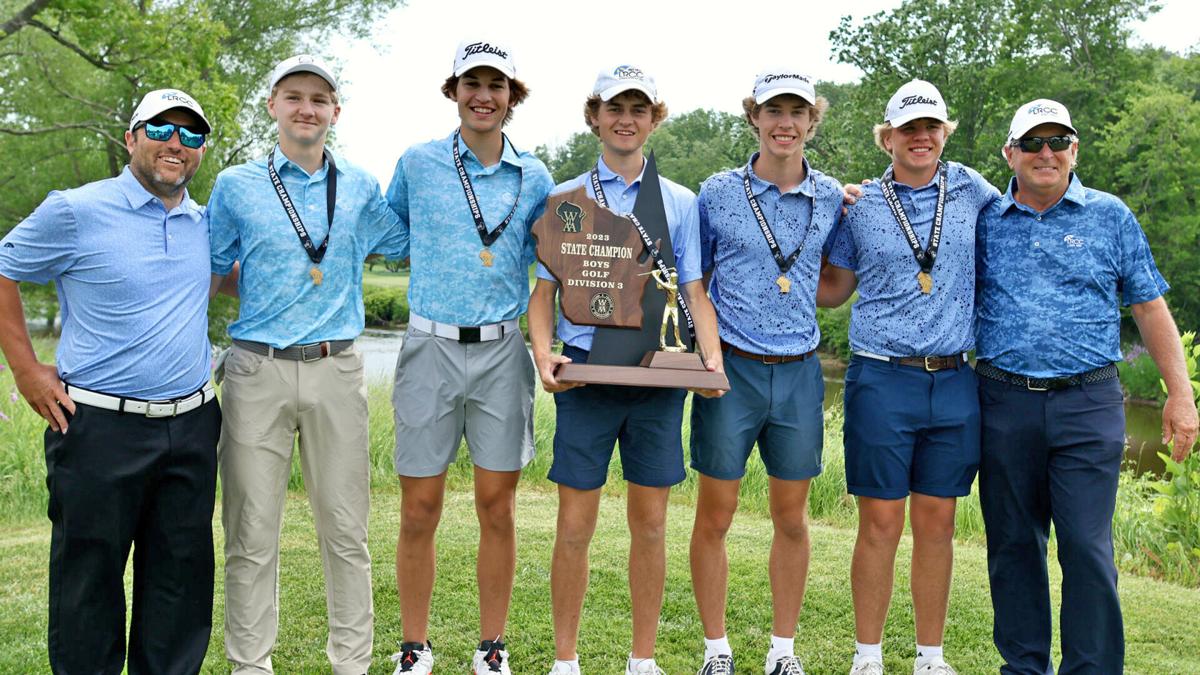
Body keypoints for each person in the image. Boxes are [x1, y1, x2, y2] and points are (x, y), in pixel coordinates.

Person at [0, 89, 220, 674]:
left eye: (191, 135)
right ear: (131, 138)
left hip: (192, 425)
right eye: (161, 129)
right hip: (97, 427)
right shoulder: (75, 210)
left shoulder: (206, 223)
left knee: (179, 586)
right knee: (88, 585)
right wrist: (26, 370)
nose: (176, 144)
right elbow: (3, 269)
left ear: (200, 150)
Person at [975, 98, 1198, 674]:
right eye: (1032, 143)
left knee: (1087, 548)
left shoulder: (1110, 215)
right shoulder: (983, 219)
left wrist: (1180, 394)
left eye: (1057, 142)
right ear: (1010, 153)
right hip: (1002, 400)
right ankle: (1023, 668)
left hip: (1088, 401)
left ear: (1074, 150)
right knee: (1013, 546)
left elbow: (1149, 307)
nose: (1045, 153)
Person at [208, 55, 406, 675]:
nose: (306, 108)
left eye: (319, 99)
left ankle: (352, 663)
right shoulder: (236, 185)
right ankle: (250, 665)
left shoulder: (361, 186)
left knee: (346, 531)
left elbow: (407, 242)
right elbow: (207, 271)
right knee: (250, 533)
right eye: (293, 96)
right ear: (273, 105)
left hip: (336, 368)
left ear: (335, 112)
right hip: (255, 370)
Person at [528, 64, 724, 675]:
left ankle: (643, 659)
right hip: (586, 374)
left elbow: (692, 290)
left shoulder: (679, 201)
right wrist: (543, 353)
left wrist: (711, 361)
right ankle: (565, 660)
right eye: (615, 107)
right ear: (594, 117)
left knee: (652, 524)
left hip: (656, 375)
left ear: (654, 119)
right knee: (574, 524)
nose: (626, 119)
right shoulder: (565, 197)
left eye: (639, 109)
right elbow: (542, 295)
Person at [385, 38, 554, 675]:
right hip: (428, 345)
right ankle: (414, 646)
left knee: (496, 507)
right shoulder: (418, 162)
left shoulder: (535, 176)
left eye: (496, 85)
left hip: (502, 350)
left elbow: (550, 260)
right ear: (453, 91)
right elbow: (391, 231)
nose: (484, 96)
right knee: (419, 507)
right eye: (472, 83)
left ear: (513, 97)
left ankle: (491, 646)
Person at [818, 80, 998, 675]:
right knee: (880, 522)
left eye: (931, 127)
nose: (921, 137)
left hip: (954, 379)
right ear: (887, 137)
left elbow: (1023, 226)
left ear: (944, 133)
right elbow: (833, 290)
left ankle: (930, 657)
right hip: (881, 378)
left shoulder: (973, 190)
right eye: (909, 128)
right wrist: (768, 266)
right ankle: (867, 657)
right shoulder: (860, 204)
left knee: (938, 524)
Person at [688, 68, 845, 675]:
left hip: (801, 372)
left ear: (812, 122)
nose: (785, 123)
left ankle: (784, 650)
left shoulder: (832, 197)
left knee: (792, 518)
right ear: (754, 116)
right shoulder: (717, 193)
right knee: (716, 514)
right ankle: (717, 651)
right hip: (731, 370)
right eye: (773, 111)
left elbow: (833, 283)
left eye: (797, 112)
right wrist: (707, 358)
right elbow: (694, 284)